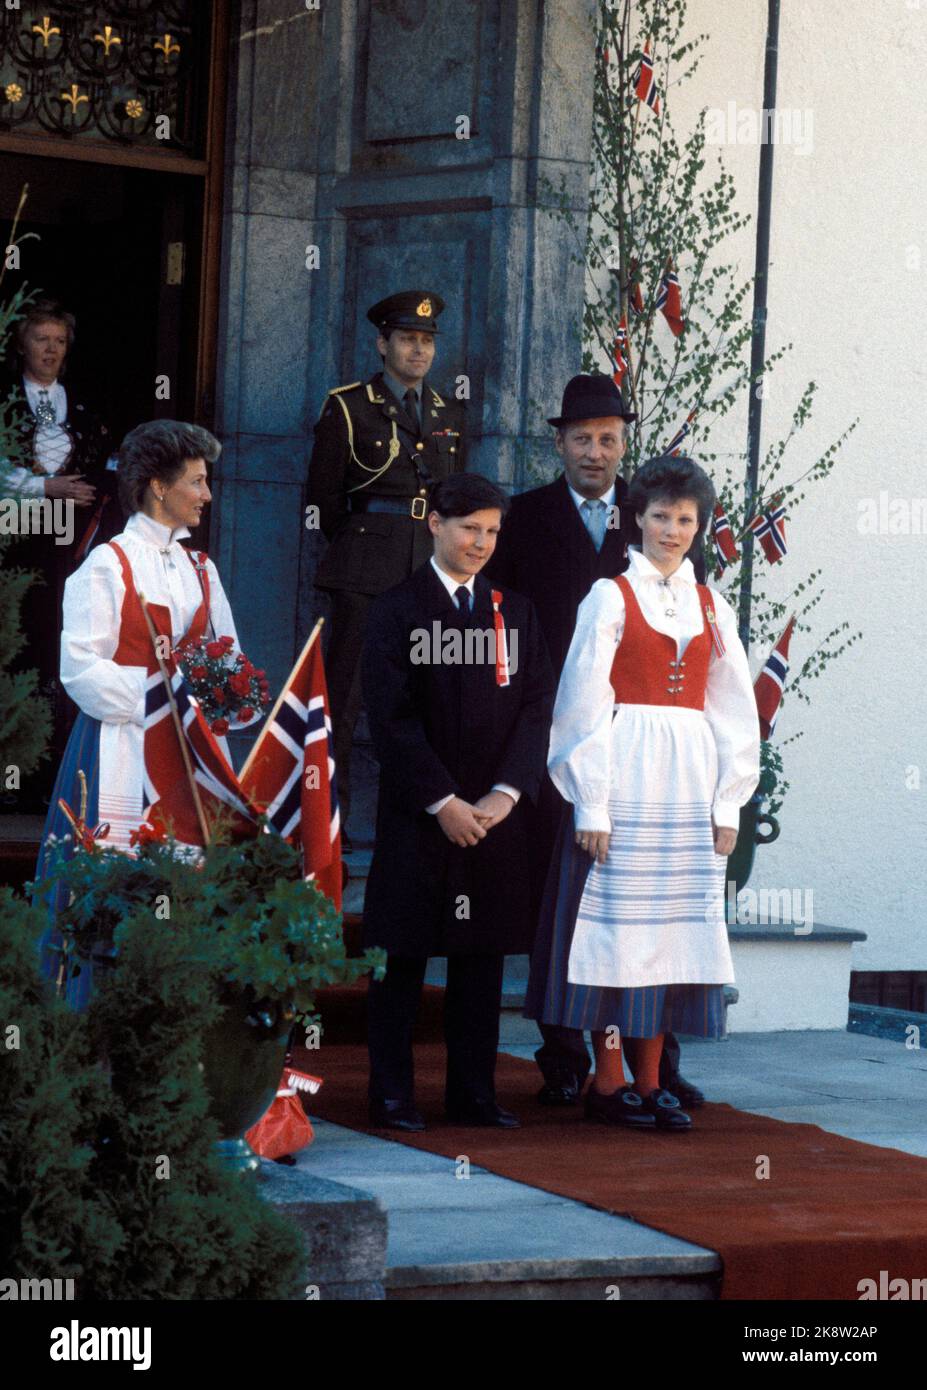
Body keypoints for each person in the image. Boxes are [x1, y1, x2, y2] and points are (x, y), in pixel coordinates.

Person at [487, 374, 707, 1108]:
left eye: (608, 438)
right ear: (558, 443)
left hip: (648, 751)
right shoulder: (522, 519)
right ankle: (564, 1056)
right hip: (557, 737)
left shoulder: (651, 522)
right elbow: (502, 628)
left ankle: (656, 1061)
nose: (594, 451)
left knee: (647, 901)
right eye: (580, 438)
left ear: (624, 444)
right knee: (567, 900)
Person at [524, 455, 760, 1130]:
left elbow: (733, 706)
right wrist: (590, 800)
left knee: (667, 930)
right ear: (637, 518)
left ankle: (652, 1079)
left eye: (685, 518)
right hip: (625, 774)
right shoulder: (608, 596)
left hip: (687, 782)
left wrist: (728, 802)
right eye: (660, 516)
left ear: (699, 525)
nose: (672, 529)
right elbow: (579, 703)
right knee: (614, 929)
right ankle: (605, 1081)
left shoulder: (709, 604)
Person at [34, 420, 250, 1008]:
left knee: (188, 888)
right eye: (198, 482)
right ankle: (91, 1030)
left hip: (192, 760)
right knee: (112, 890)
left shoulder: (201, 568)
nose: (208, 494)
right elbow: (79, 667)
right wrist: (160, 704)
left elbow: (227, 656)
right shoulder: (107, 564)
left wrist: (230, 695)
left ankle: (171, 1025)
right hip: (120, 752)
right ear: (159, 486)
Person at [361, 473, 554, 1131]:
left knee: (481, 956)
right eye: (469, 527)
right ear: (435, 523)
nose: (480, 542)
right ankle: (389, 1093)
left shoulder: (514, 611)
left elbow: (534, 708)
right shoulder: (396, 611)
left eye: (492, 531)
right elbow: (390, 719)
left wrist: (503, 796)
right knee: (401, 956)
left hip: (492, 815)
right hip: (422, 813)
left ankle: (472, 1092)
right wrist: (442, 800)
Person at [306, 290, 466, 840]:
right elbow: (323, 501)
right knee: (345, 702)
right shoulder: (347, 406)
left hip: (428, 571)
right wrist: (362, 549)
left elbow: (453, 499)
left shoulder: (448, 412)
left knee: (426, 702)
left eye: (427, 342)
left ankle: (413, 827)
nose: (419, 351)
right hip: (364, 571)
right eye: (407, 340)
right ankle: (332, 828)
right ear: (383, 344)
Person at [1, 300, 120, 805]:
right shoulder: (5, 402)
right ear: (21, 344)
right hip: (15, 544)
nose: (50, 349)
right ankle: (11, 775)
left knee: (62, 644)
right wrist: (44, 487)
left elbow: (108, 466)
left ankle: (54, 772)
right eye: (41, 339)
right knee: (18, 643)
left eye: (59, 341)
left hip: (71, 548)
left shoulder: (86, 406)